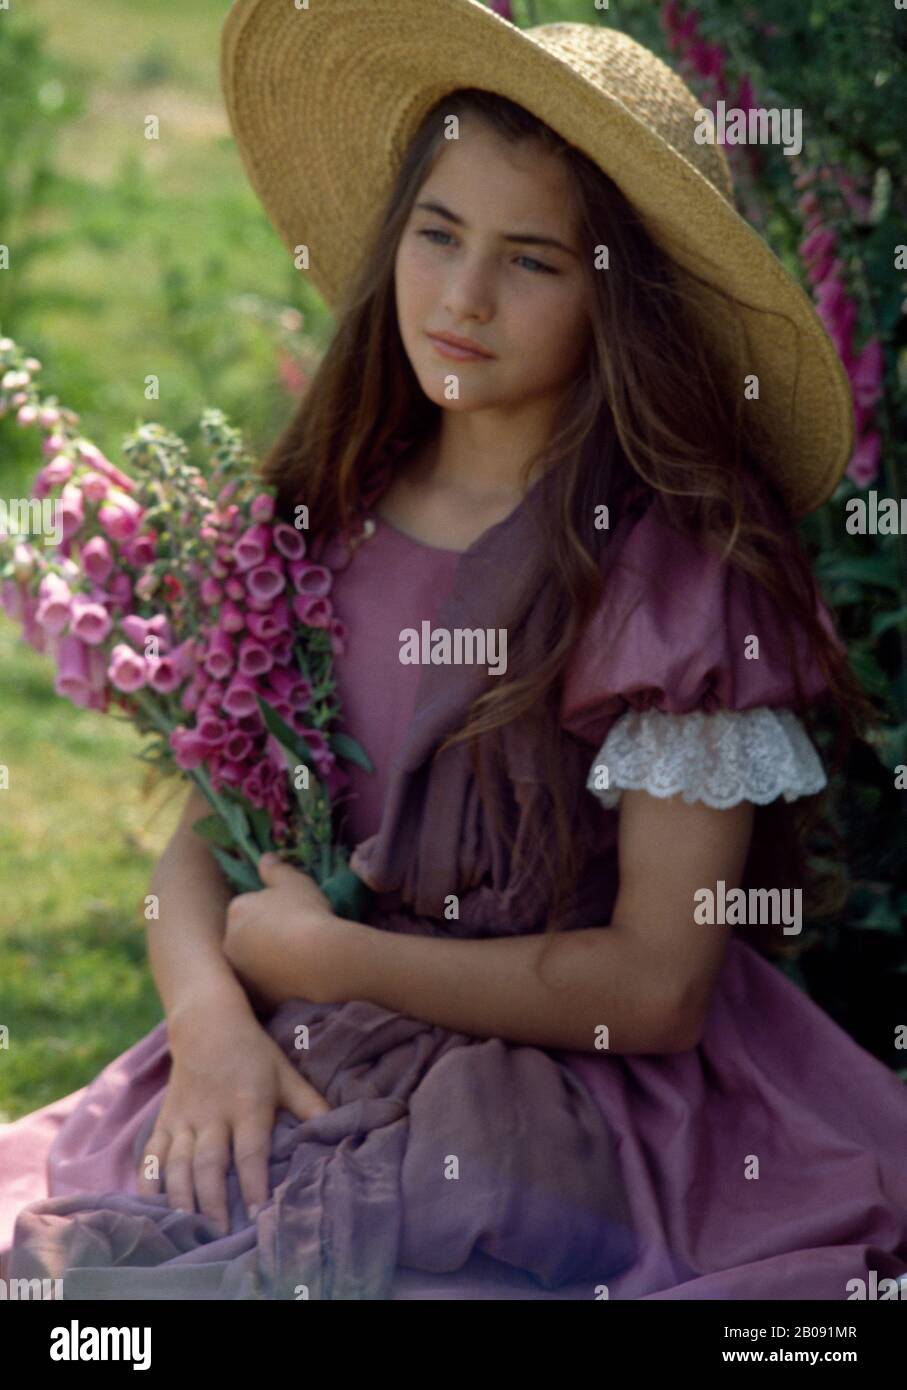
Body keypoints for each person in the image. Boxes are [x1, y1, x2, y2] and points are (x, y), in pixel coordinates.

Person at [2, 0, 906, 1301]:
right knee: (72, 1283)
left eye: (533, 262)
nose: (464, 296)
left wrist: (337, 960)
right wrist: (209, 1021)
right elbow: (212, 839)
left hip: (569, 1100)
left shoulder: (671, 581)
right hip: (290, 1047)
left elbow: (656, 986)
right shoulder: (331, 508)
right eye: (438, 235)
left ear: (620, 306)